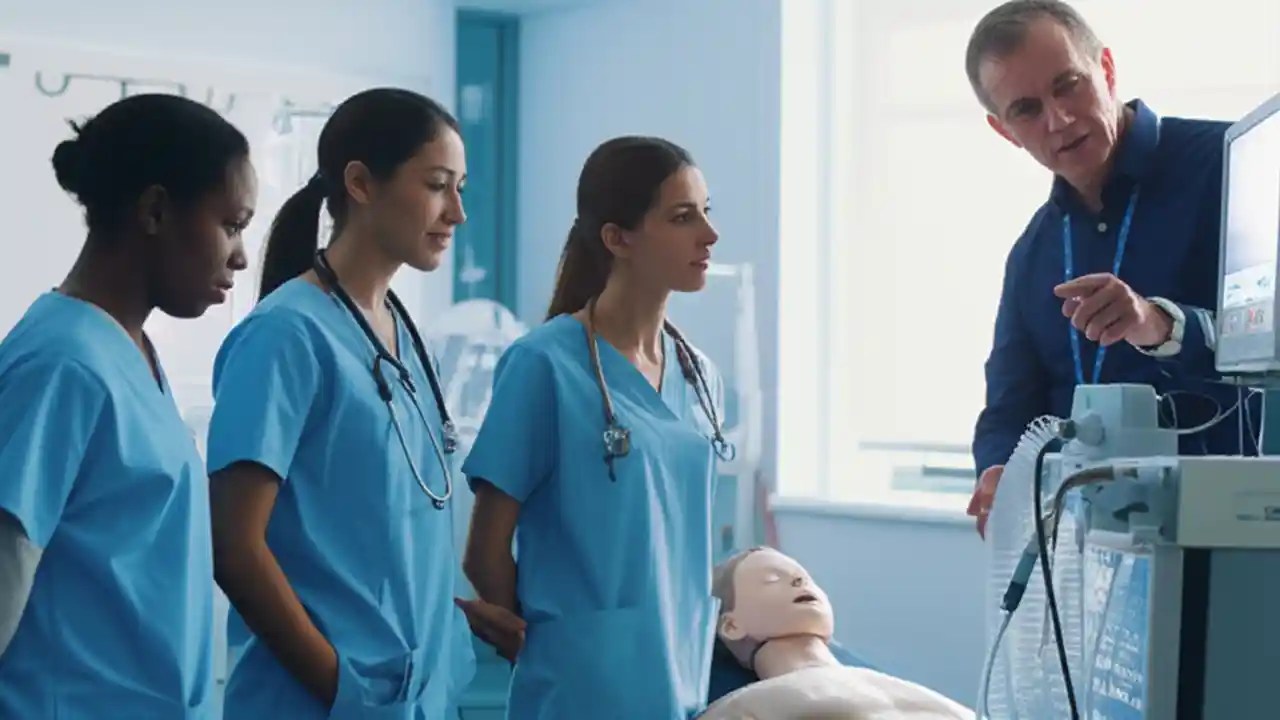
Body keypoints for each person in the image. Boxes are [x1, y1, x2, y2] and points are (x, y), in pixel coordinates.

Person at [205, 87, 512, 719]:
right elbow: (233, 546)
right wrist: (344, 689)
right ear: (361, 184)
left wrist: (445, 631)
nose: (456, 212)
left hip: (415, 696)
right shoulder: (285, 336)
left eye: (461, 188)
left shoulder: (398, 330)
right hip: (319, 702)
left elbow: (376, 537)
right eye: (436, 185)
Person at [0, 94, 254, 716]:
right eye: (231, 224)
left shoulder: (126, 348)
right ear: (156, 210)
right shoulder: (63, 363)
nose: (241, 255)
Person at [462, 136, 729, 719]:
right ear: (617, 237)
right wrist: (561, 645)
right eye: (683, 217)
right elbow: (484, 552)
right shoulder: (544, 365)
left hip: (679, 682)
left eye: (708, 212)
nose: (708, 235)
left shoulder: (699, 375)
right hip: (577, 691)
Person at [964, 0, 1243, 536]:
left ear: (1107, 70)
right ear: (1005, 131)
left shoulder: (1236, 164)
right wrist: (998, 470)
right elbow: (1008, 408)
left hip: (1226, 537)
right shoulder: (1032, 253)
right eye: (1026, 109)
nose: (1060, 120)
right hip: (1086, 547)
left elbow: (1265, 343)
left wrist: (1158, 324)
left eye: (1068, 84)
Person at [700, 547, 973, 719]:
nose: (798, 581)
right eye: (772, 579)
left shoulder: (901, 687)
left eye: (805, 578)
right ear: (731, 626)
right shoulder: (743, 708)